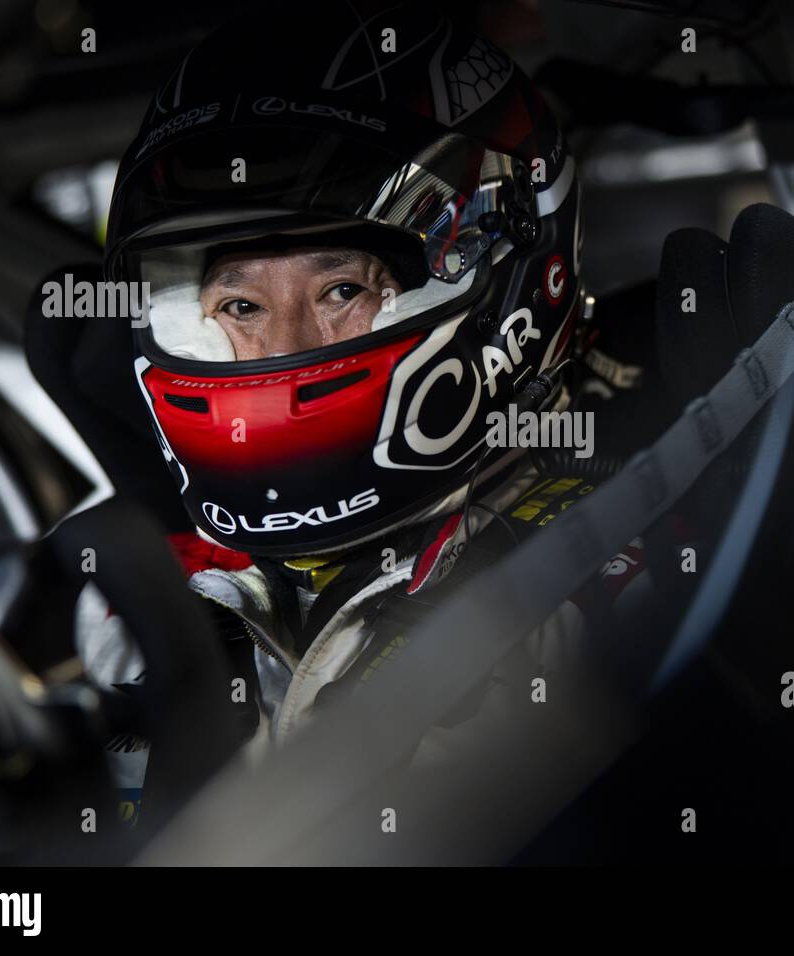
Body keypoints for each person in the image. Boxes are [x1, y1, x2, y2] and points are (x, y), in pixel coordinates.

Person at [73, 0, 650, 817]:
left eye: (342, 290)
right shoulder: (129, 597)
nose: (282, 346)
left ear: (511, 279)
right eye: (238, 307)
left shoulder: (612, 565)